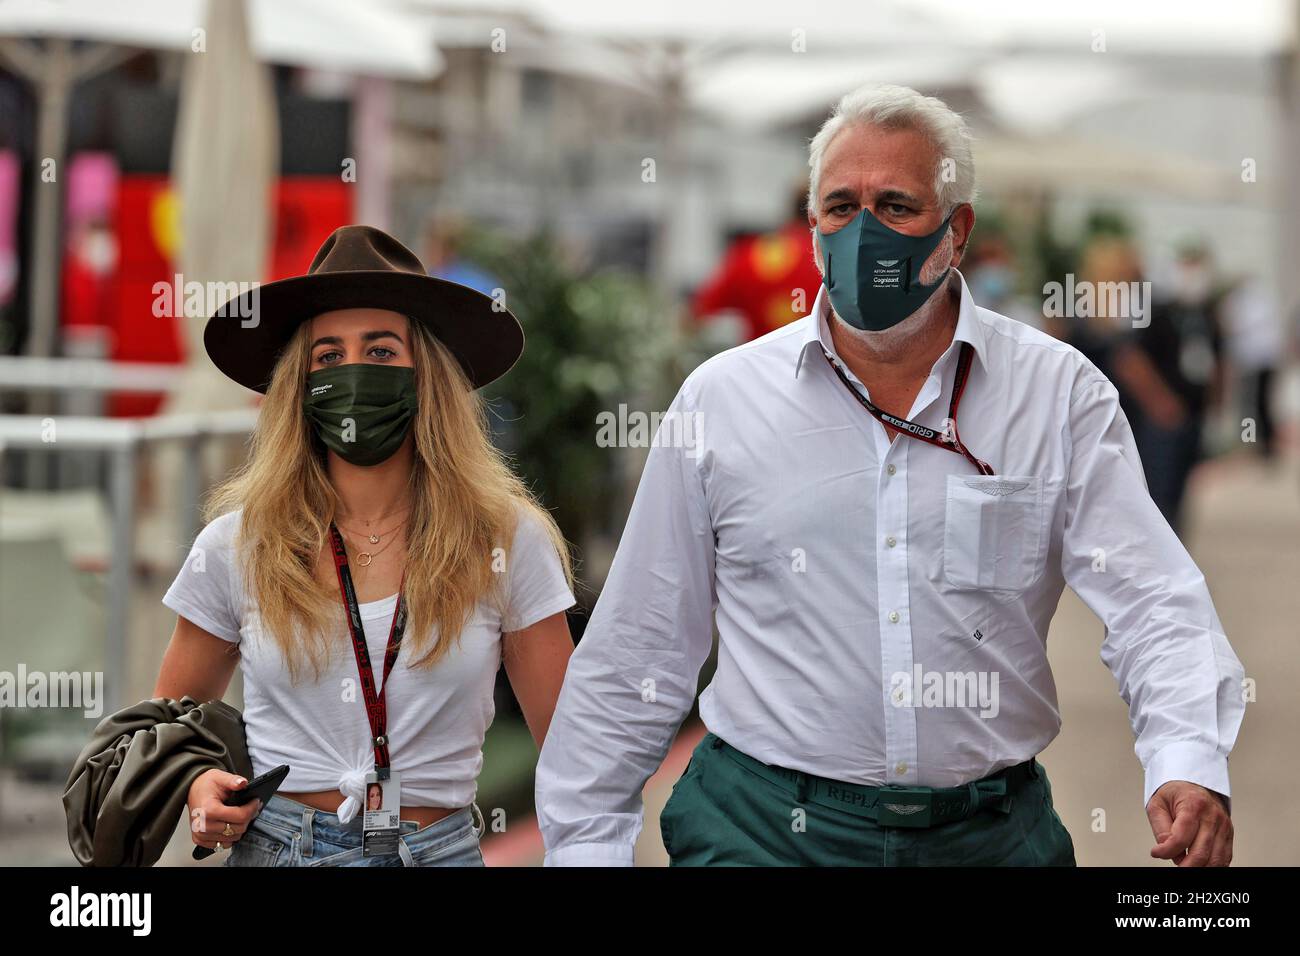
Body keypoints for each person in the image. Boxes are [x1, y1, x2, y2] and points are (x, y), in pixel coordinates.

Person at [535, 84, 1245, 867]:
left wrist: (1187, 757)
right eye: (840, 207)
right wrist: (585, 850)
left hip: (988, 837)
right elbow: (640, 647)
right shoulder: (721, 403)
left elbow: (1154, 599)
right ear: (811, 228)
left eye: (897, 206)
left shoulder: (1057, 395)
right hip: (764, 833)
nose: (864, 232)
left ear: (957, 230)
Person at [156, 225, 577, 867]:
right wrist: (197, 786)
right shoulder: (238, 545)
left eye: (380, 352)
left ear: (427, 376)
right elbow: (167, 731)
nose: (352, 371)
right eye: (328, 357)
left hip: (438, 852)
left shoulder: (507, 541)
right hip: (278, 850)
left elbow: (574, 753)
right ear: (300, 382)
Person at [690, 186, 825, 342]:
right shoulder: (834, 260)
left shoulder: (749, 255)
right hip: (822, 362)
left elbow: (697, 313)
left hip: (759, 362)